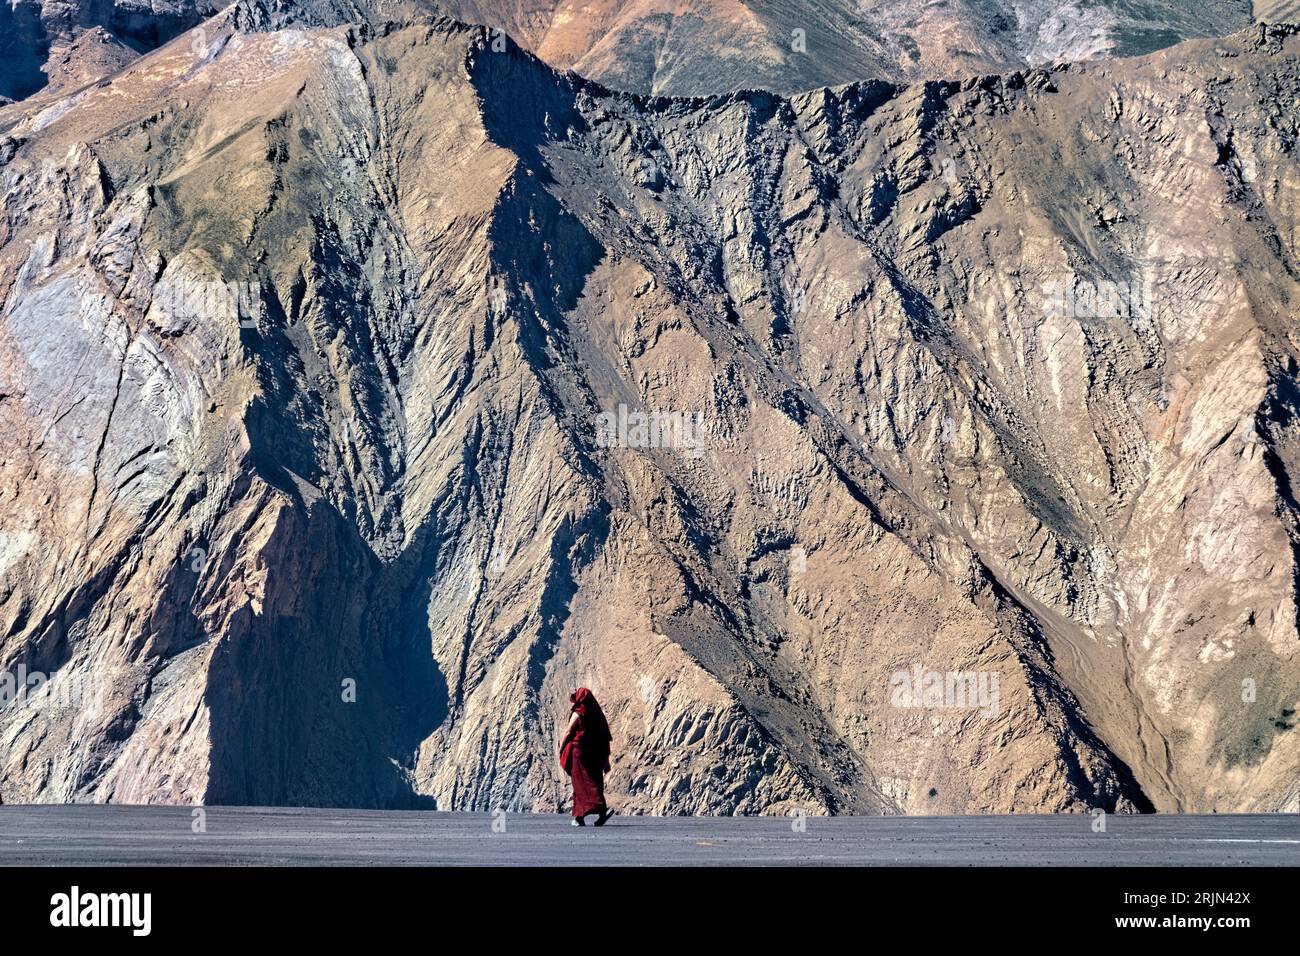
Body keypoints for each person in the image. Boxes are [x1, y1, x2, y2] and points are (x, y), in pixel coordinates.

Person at [559, 687, 615, 826]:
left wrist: (561, 747)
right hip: (595, 753)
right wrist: (605, 759)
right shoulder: (597, 714)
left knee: (582, 783)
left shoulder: (579, 712)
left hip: (580, 753)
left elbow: (568, 731)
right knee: (593, 781)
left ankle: (601, 808)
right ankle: (580, 817)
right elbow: (604, 736)